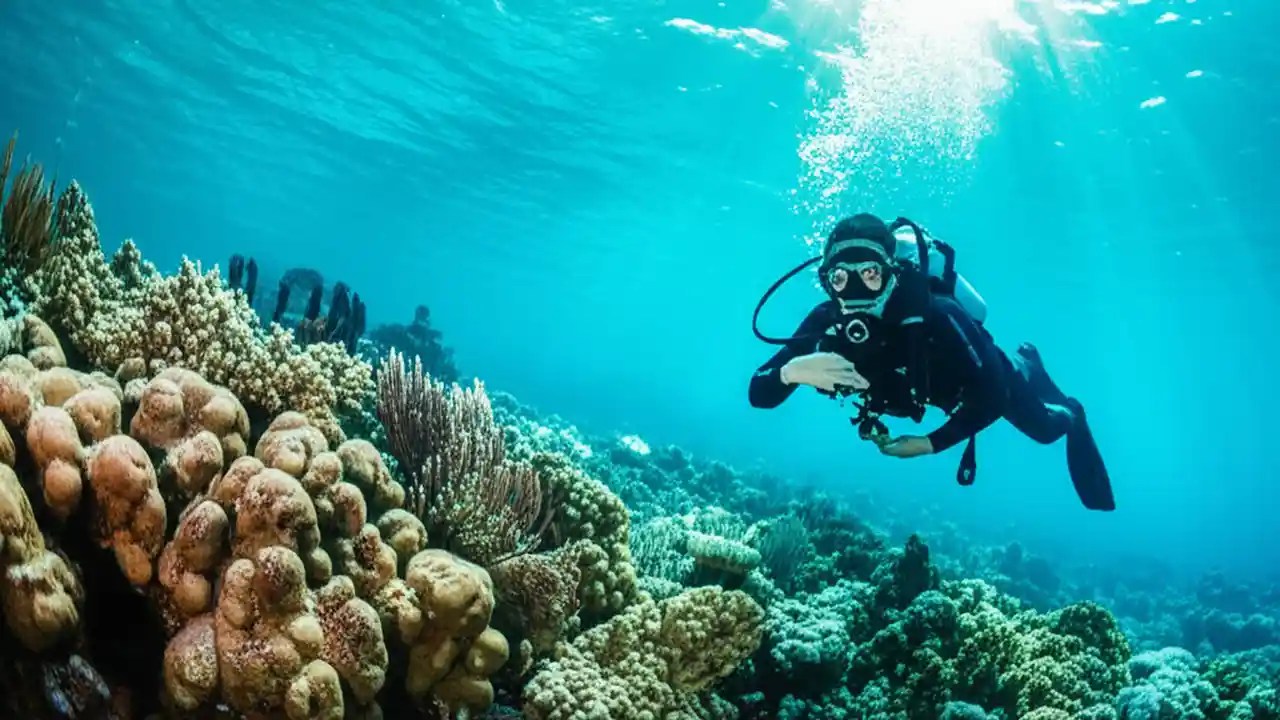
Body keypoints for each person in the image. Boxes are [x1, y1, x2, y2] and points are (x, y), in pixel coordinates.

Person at [749, 213, 1115, 511]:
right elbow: (758, 392)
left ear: (891, 274)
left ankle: (1049, 387)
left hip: (980, 378)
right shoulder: (824, 320)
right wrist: (790, 372)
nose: (857, 292)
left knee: (1046, 430)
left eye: (870, 275)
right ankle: (1029, 366)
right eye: (843, 278)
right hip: (917, 391)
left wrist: (930, 443)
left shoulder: (936, 313)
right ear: (828, 281)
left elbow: (992, 395)